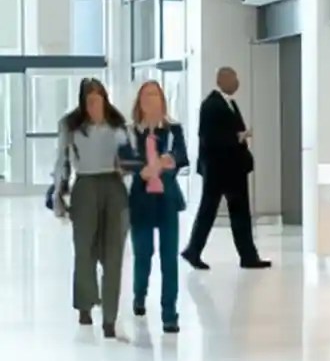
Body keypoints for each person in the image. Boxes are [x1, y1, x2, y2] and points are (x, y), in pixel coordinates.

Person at [54, 78, 131, 339]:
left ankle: (110, 317)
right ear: (83, 102)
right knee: (84, 248)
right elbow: (62, 161)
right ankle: (85, 304)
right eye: (90, 99)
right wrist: (58, 194)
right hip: (85, 184)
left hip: (113, 184)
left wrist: (129, 165)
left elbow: (129, 157)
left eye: (98, 98)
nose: (95, 103)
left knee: (113, 253)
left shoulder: (118, 125)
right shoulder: (71, 126)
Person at [184, 67, 271, 270]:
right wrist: (237, 137)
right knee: (209, 211)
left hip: (233, 168)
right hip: (219, 169)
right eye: (234, 78)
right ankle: (193, 250)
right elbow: (209, 137)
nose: (237, 82)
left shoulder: (229, 103)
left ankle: (248, 256)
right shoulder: (211, 105)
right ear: (222, 80)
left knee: (239, 213)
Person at [123, 80, 189, 334]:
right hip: (141, 200)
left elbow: (181, 155)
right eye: (146, 96)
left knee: (169, 257)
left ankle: (169, 313)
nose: (151, 100)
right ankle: (139, 295)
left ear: (162, 101)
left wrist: (166, 161)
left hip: (167, 201)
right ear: (139, 102)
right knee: (143, 253)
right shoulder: (131, 132)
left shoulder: (172, 130)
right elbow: (125, 159)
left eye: (156, 95)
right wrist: (143, 170)